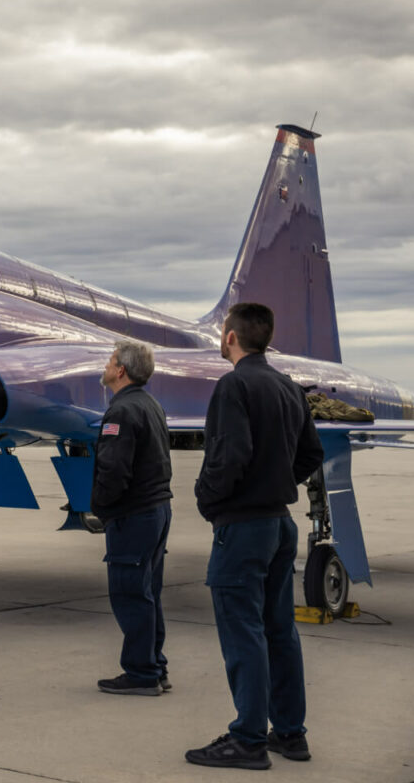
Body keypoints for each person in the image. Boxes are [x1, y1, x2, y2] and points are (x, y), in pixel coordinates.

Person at [186, 302, 323, 770]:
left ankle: (247, 739)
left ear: (229, 338)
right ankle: (289, 733)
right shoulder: (287, 386)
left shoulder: (234, 385)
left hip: (243, 527)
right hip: (280, 523)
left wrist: (208, 499)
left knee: (243, 631)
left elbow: (229, 456)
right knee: (279, 630)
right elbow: (312, 453)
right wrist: (278, 480)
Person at [91, 340, 173, 697]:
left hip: (134, 515)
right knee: (148, 592)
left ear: (120, 370)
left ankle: (141, 673)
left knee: (129, 593)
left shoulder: (122, 412)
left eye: (110, 361)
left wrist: (102, 510)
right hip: (156, 510)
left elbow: (113, 471)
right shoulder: (150, 404)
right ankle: (155, 666)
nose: (106, 366)